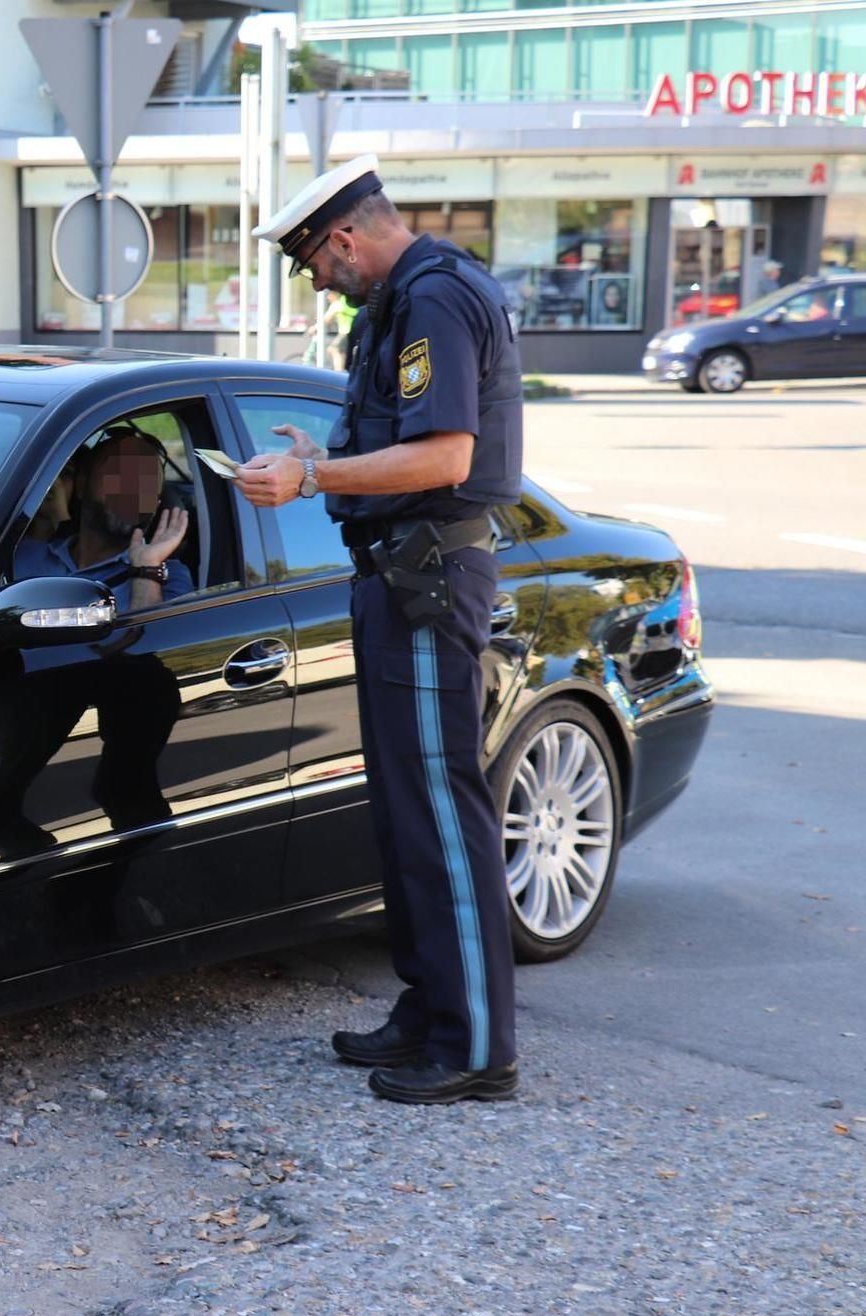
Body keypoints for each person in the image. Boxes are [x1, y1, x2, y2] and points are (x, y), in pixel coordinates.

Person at [235, 153, 524, 1107]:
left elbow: (445, 455)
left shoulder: (435, 300)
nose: (316, 279)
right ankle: (431, 1007)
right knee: (406, 810)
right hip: (398, 578)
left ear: (346, 238)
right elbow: (401, 442)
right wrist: (328, 455)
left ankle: (476, 1043)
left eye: (314, 261)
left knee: (443, 807)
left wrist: (314, 481)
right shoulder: (394, 309)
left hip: (429, 579)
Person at [12, 429, 192, 613]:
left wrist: (147, 569)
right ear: (82, 485)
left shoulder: (169, 576)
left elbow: (153, 639)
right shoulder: (25, 555)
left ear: (156, 505)